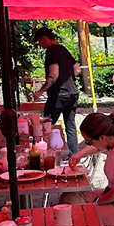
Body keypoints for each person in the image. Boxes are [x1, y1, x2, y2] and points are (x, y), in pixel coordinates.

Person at [33, 27, 81, 155]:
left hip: (59, 94)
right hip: (72, 93)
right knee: (70, 126)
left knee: (46, 126)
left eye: (39, 41)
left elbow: (53, 74)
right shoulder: (63, 49)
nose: (39, 45)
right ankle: (74, 156)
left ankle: (45, 155)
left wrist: (40, 91)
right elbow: (77, 69)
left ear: (44, 38)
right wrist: (67, 77)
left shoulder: (51, 51)